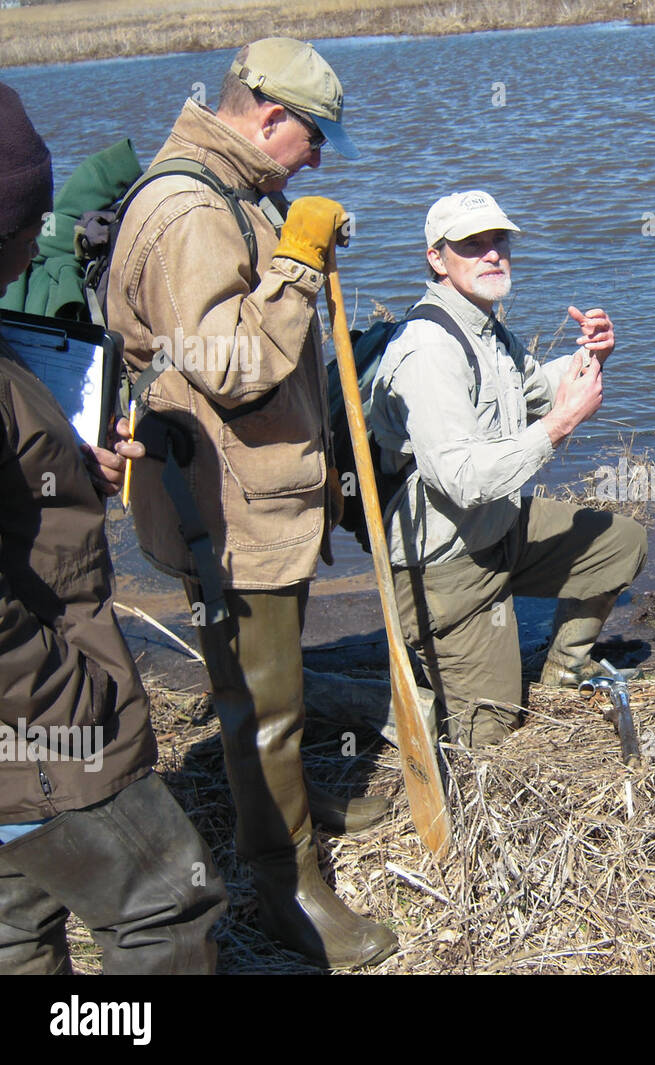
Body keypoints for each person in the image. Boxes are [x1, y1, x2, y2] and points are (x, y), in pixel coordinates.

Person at [106, 38, 397, 968]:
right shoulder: (192, 208)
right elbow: (235, 367)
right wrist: (301, 260)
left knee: (272, 679)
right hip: (223, 506)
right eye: (312, 139)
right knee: (259, 704)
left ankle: (295, 809)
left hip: (247, 491)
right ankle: (288, 887)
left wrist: (291, 239)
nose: (316, 157)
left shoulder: (231, 190)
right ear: (268, 116)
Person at [0, 81, 227, 975]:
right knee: (169, 900)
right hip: (36, 722)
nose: (34, 244)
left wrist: (62, 461)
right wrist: (68, 702)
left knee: (16, 920)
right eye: (21, 225)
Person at [369, 191, 647, 749]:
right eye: (473, 245)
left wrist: (589, 356)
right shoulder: (428, 350)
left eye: (499, 241)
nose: (492, 254)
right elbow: (464, 480)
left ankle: (565, 675)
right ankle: (363, 699)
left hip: (499, 526)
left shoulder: (486, 327)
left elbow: (537, 391)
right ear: (436, 257)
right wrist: (561, 426)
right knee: (492, 739)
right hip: (442, 564)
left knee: (621, 542)